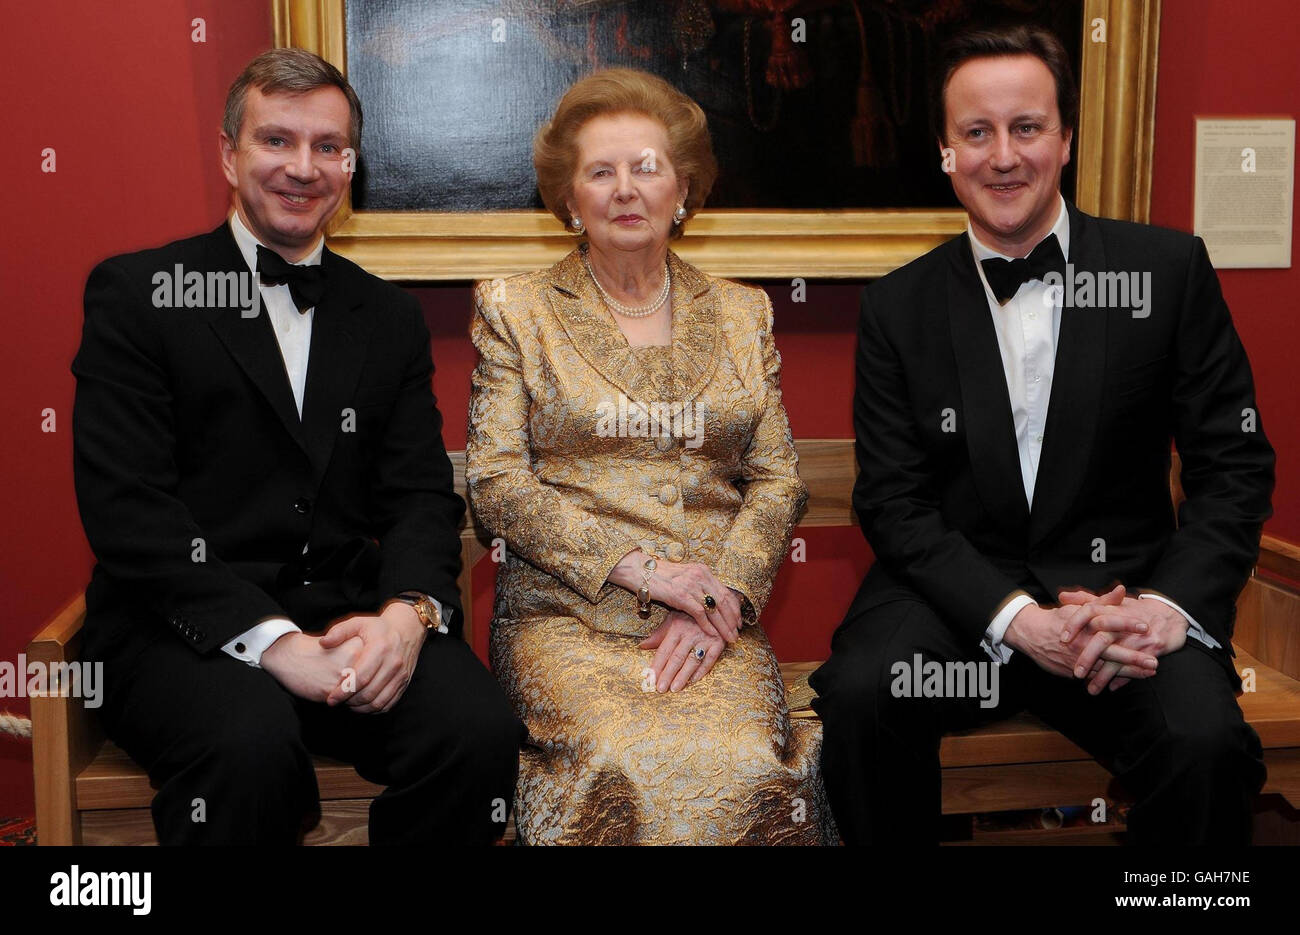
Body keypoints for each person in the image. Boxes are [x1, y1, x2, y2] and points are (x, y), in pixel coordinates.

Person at [810, 24, 1275, 845]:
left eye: (1026, 128)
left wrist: (1168, 607)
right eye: (975, 133)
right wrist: (1018, 618)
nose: (1003, 156)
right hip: (957, 612)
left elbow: (1233, 463)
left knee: (1203, 745)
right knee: (861, 698)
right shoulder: (897, 307)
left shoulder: (1166, 273)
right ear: (946, 153)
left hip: (1120, 614)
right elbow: (893, 501)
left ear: (1066, 140)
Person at [72, 48, 521, 845]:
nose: (301, 167)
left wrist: (408, 616)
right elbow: (128, 510)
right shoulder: (139, 294)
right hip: (181, 627)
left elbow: (419, 494)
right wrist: (273, 643)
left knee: (477, 731)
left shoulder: (387, 316)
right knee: (245, 747)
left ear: (349, 167)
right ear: (228, 153)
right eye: (276, 140)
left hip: (351, 618)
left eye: (327, 147)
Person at [466, 68, 831, 844]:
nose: (625, 189)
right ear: (569, 199)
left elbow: (777, 478)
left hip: (713, 621)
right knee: (621, 757)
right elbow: (495, 483)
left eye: (647, 167)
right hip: (566, 618)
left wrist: (724, 595)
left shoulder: (741, 311)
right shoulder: (516, 309)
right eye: (600, 171)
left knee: (741, 759)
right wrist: (643, 570)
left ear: (684, 189)